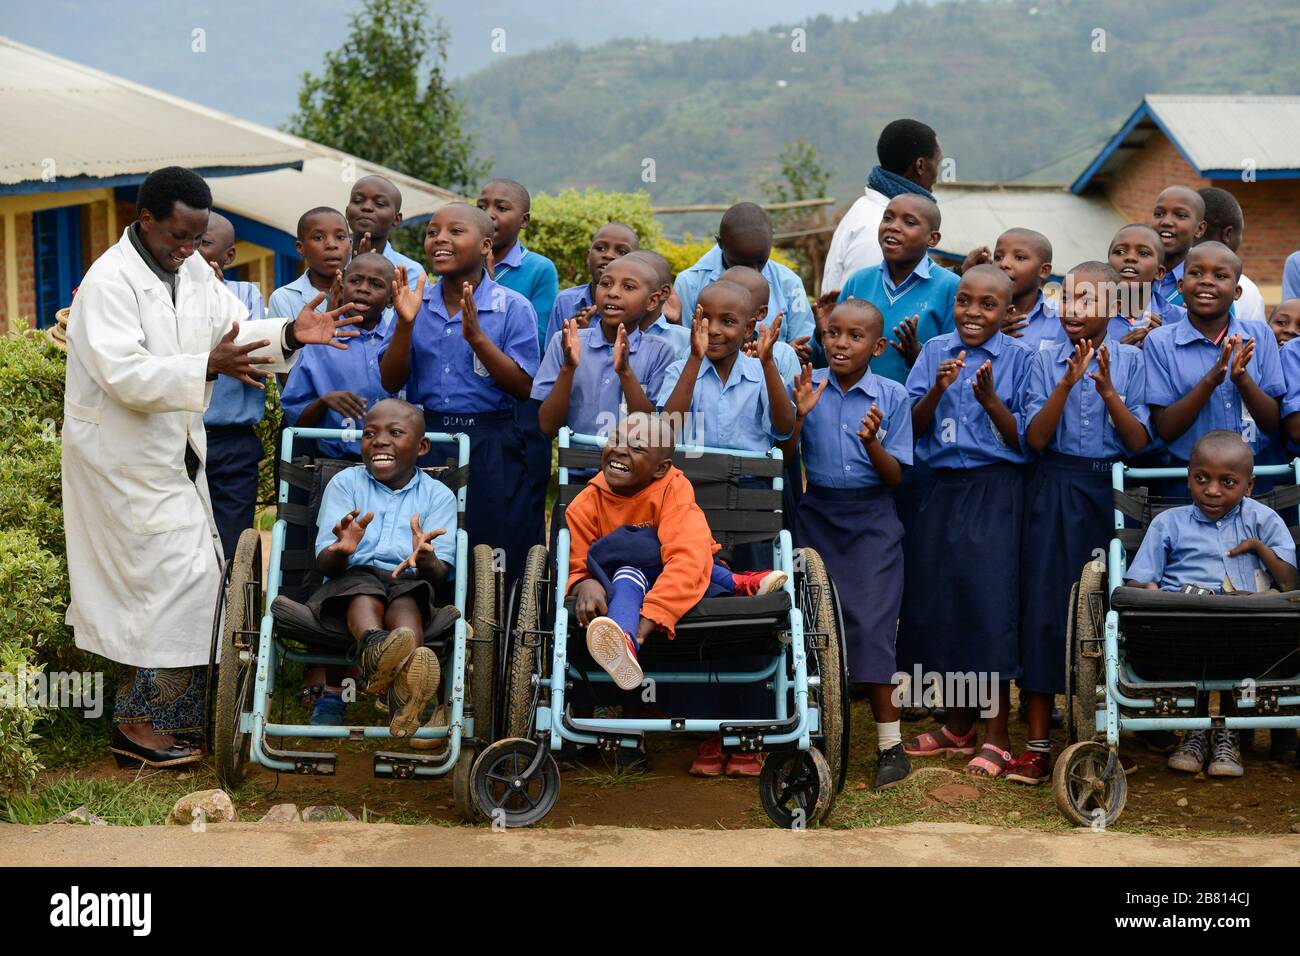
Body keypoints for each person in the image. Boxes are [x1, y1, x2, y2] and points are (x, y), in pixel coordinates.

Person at [63, 166, 363, 768]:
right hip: (120, 463)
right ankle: (138, 726)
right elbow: (124, 373)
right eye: (178, 236)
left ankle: (159, 721)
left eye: (196, 237)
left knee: (191, 581)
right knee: (162, 586)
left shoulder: (190, 268)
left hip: (173, 454)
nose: (187, 250)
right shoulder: (109, 282)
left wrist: (289, 332)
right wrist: (206, 365)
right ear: (144, 219)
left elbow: (233, 327)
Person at [1009, 262, 1151, 785]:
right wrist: (1066, 385)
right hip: (1055, 485)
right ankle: (1038, 745)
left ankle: (1103, 737)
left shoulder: (1134, 361)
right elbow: (1036, 440)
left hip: (1111, 492)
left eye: (1087, 300)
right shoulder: (1040, 360)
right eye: (1067, 298)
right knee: (1045, 605)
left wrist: (1109, 390)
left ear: (1114, 308)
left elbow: (1139, 443)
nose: (1073, 309)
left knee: (1108, 610)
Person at [898, 265, 1033, 778]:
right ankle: (958, 725)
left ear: (1008, 311)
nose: (974, 313)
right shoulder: (934, 352)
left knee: (987, 604)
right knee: (944, 602)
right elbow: (908, 429)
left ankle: (998, 735)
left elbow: (1028, 440)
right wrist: (936, 389)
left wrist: (990, 400)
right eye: (965, 302)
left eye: (988, 305)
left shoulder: (1020, 359)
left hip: (994, 489)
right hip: (940, 490)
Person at [783, 300, 914, 789]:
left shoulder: (892, 395)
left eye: (854, 336)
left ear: (877, 347)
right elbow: (786, 455)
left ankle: (889, 745)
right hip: (817, 514)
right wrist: (798, 417)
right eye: (833, 333)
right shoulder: (807, 384)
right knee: (813, 623)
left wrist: (872, 442)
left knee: (873, 625)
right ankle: (813, 737)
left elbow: (897, 475)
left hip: (873, 517)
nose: (840, 343)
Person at [566, 413, 788, 692]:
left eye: (637, 447)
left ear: (661, 469)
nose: (620, 449)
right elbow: (579, 563)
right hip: (626, 582)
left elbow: (687, 558)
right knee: (627, 573)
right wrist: (585, 583)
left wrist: (652, 617)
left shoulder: (674, 489)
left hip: (676, 573)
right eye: (616, 439)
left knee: (696, 561)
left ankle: (632, 636)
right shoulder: (584, 505)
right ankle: (623, 645)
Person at [379, 203, 540, 589]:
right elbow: (390, 380)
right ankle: (431, 630)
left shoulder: (513, 307)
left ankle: (490, 635)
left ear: (486, 245)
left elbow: (523, 387)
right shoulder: (413, 303)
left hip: (492, 440)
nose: (440, 240)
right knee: (429, 540)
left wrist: (478, 340)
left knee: (492, 541)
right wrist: (403, 325)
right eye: (433, 232)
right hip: (429, 440)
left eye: (455, 232)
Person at [1125, 430, 1297, 778]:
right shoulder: (1168, 523)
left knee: (1249, 622)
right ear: (1188, 478)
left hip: (1249, 626)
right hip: (1184, 621)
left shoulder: (1264, 520)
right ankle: (1197, 731)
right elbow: (1137, 581)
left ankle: (1226, 734)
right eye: (1201, 478)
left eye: (1227, 482)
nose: (1212, 490)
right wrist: (1150, 587)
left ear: (1248, 486)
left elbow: (1292, 583)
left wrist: (1259, 548)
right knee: (1190, 623)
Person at [310, 399, 459, 736]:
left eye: (395, 433)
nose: (379, 441)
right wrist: (341, 549)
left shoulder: (439, 496)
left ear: (421, 447)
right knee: (364, 589)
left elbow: (440, 574)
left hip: (409, 577)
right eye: (369, 433)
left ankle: (407, 690)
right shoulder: (346, 484)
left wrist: (425, 558)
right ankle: (378, 650)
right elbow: (326, 564)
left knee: (409, 601)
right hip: (351, 577)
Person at [1143, 242, 1283, 476]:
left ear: (1237, 292)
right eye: (1196, 273)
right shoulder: (1159, 342)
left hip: (1255, 472)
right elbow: (1166, 429)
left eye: (1220, 276)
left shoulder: (1260, 335)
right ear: (1180, 286)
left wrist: (1243, 380)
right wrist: (1211, 380)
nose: (1207, 281)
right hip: (1184, 475)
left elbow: (1272, 424)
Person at [479, 179, 560, 563]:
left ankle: (521, 605)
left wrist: (488, 284)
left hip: (520, 405)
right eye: (482, 205)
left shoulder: (538, 270)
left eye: (502, 207)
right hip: (476, 407)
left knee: (519, 508)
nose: (490, 214)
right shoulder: (457, 264)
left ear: (524, 220)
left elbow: (538, 342)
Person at [533, 255, 677, 440]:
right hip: (577, 465)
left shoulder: (659, 352)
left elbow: (652, 432)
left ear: (652, 301)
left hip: (631, 466)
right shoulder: (566, 341)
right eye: (606, 284)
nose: (613, 293)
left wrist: (625, 372)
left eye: (628, 287)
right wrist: (568, 369)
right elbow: (547, 427)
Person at [281, 252, 399, 462]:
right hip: (335, 462)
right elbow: (295, 418)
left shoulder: (400, 341)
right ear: (342, 287)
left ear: (391, 298)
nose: (363, 288)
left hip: (397, 462)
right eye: (355, 281)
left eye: (376, 284)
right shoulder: (320, 345)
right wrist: (324, 402)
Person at [198, 212, 268, 557]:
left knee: (231, 542)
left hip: (230, 442)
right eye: (189, 241)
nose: (194, 251)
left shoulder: (245, 297)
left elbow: (254, 354)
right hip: (176, 435)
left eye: (205, 243)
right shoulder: (162, 296)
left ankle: (233, 609)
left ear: (228, 257)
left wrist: (213, 296)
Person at [835, 194, 959, 385]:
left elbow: (958, 364)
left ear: (932, 239)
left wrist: (917, 354)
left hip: (918, 410)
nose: (893, 226)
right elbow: (829, 354)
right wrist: (820, 334)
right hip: (857, 407)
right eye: (887, 218)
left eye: (909, 222)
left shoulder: (950, 287)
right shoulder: (859, 282)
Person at [674, 202, 814, 357]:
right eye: (742, 264)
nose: (754, 272)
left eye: (761, 261)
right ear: (720, 243)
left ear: (772, 238)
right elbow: (684, 351)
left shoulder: (789, 283)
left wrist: (792, 353)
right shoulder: (690, 284)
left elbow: (804, 344)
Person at [822, 118, 942, 292]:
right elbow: (861, 303)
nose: (937, 173)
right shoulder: (878, 230)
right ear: (920, 166)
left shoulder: (867, 208)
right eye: (937, 163)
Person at [962, 228, 1058, 353]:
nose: (1003, 264)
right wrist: (989, 335)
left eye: (1019, 258)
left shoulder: (1059, 321)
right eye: (998, 257)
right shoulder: (973, 313)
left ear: (1043, 270)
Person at [545, 222, 640, 346]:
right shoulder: (565, 301)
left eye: (622, 252)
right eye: (600, 248)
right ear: (588, 257)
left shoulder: (639, 306)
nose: (608, 255)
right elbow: (551, 359)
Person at [1195, 187, 1265, 325]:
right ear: (1228, 234)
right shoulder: (1246, 289)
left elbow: (1138, 321)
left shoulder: (1149, 272)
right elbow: (1256, 343)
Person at [267, 207, 352, 320]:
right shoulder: (284, 299)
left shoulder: (365, 290)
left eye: (340, 237)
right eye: (318, 238)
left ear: (350, 245)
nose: (331, 245)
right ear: (300, 248)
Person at [345, 174, 426, 289]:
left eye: (380, 204)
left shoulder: (409, 272)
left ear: (396, 219)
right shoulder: (331, 259)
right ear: (347, 212)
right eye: (358, 201)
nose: (367, 207)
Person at [1107, 223, 1171, 347]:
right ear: (1108, 267)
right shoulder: (1088, 317)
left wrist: (1165, 345)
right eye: (1120, 252)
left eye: (1143, 253)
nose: (1130, 258)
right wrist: (1121, 354)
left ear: (1159, 272)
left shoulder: (1177, 321)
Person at [625, 249, 691, 360]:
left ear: (663, 293)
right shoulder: (601, 334)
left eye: (629, 286)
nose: (614, 292)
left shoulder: (687, 342)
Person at [1150, 186, 1207, 313]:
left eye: (1180, 215)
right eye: (1159, 214)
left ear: (1199, 229)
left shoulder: (1208, 285)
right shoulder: (1133, 274)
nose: (1166, 222)